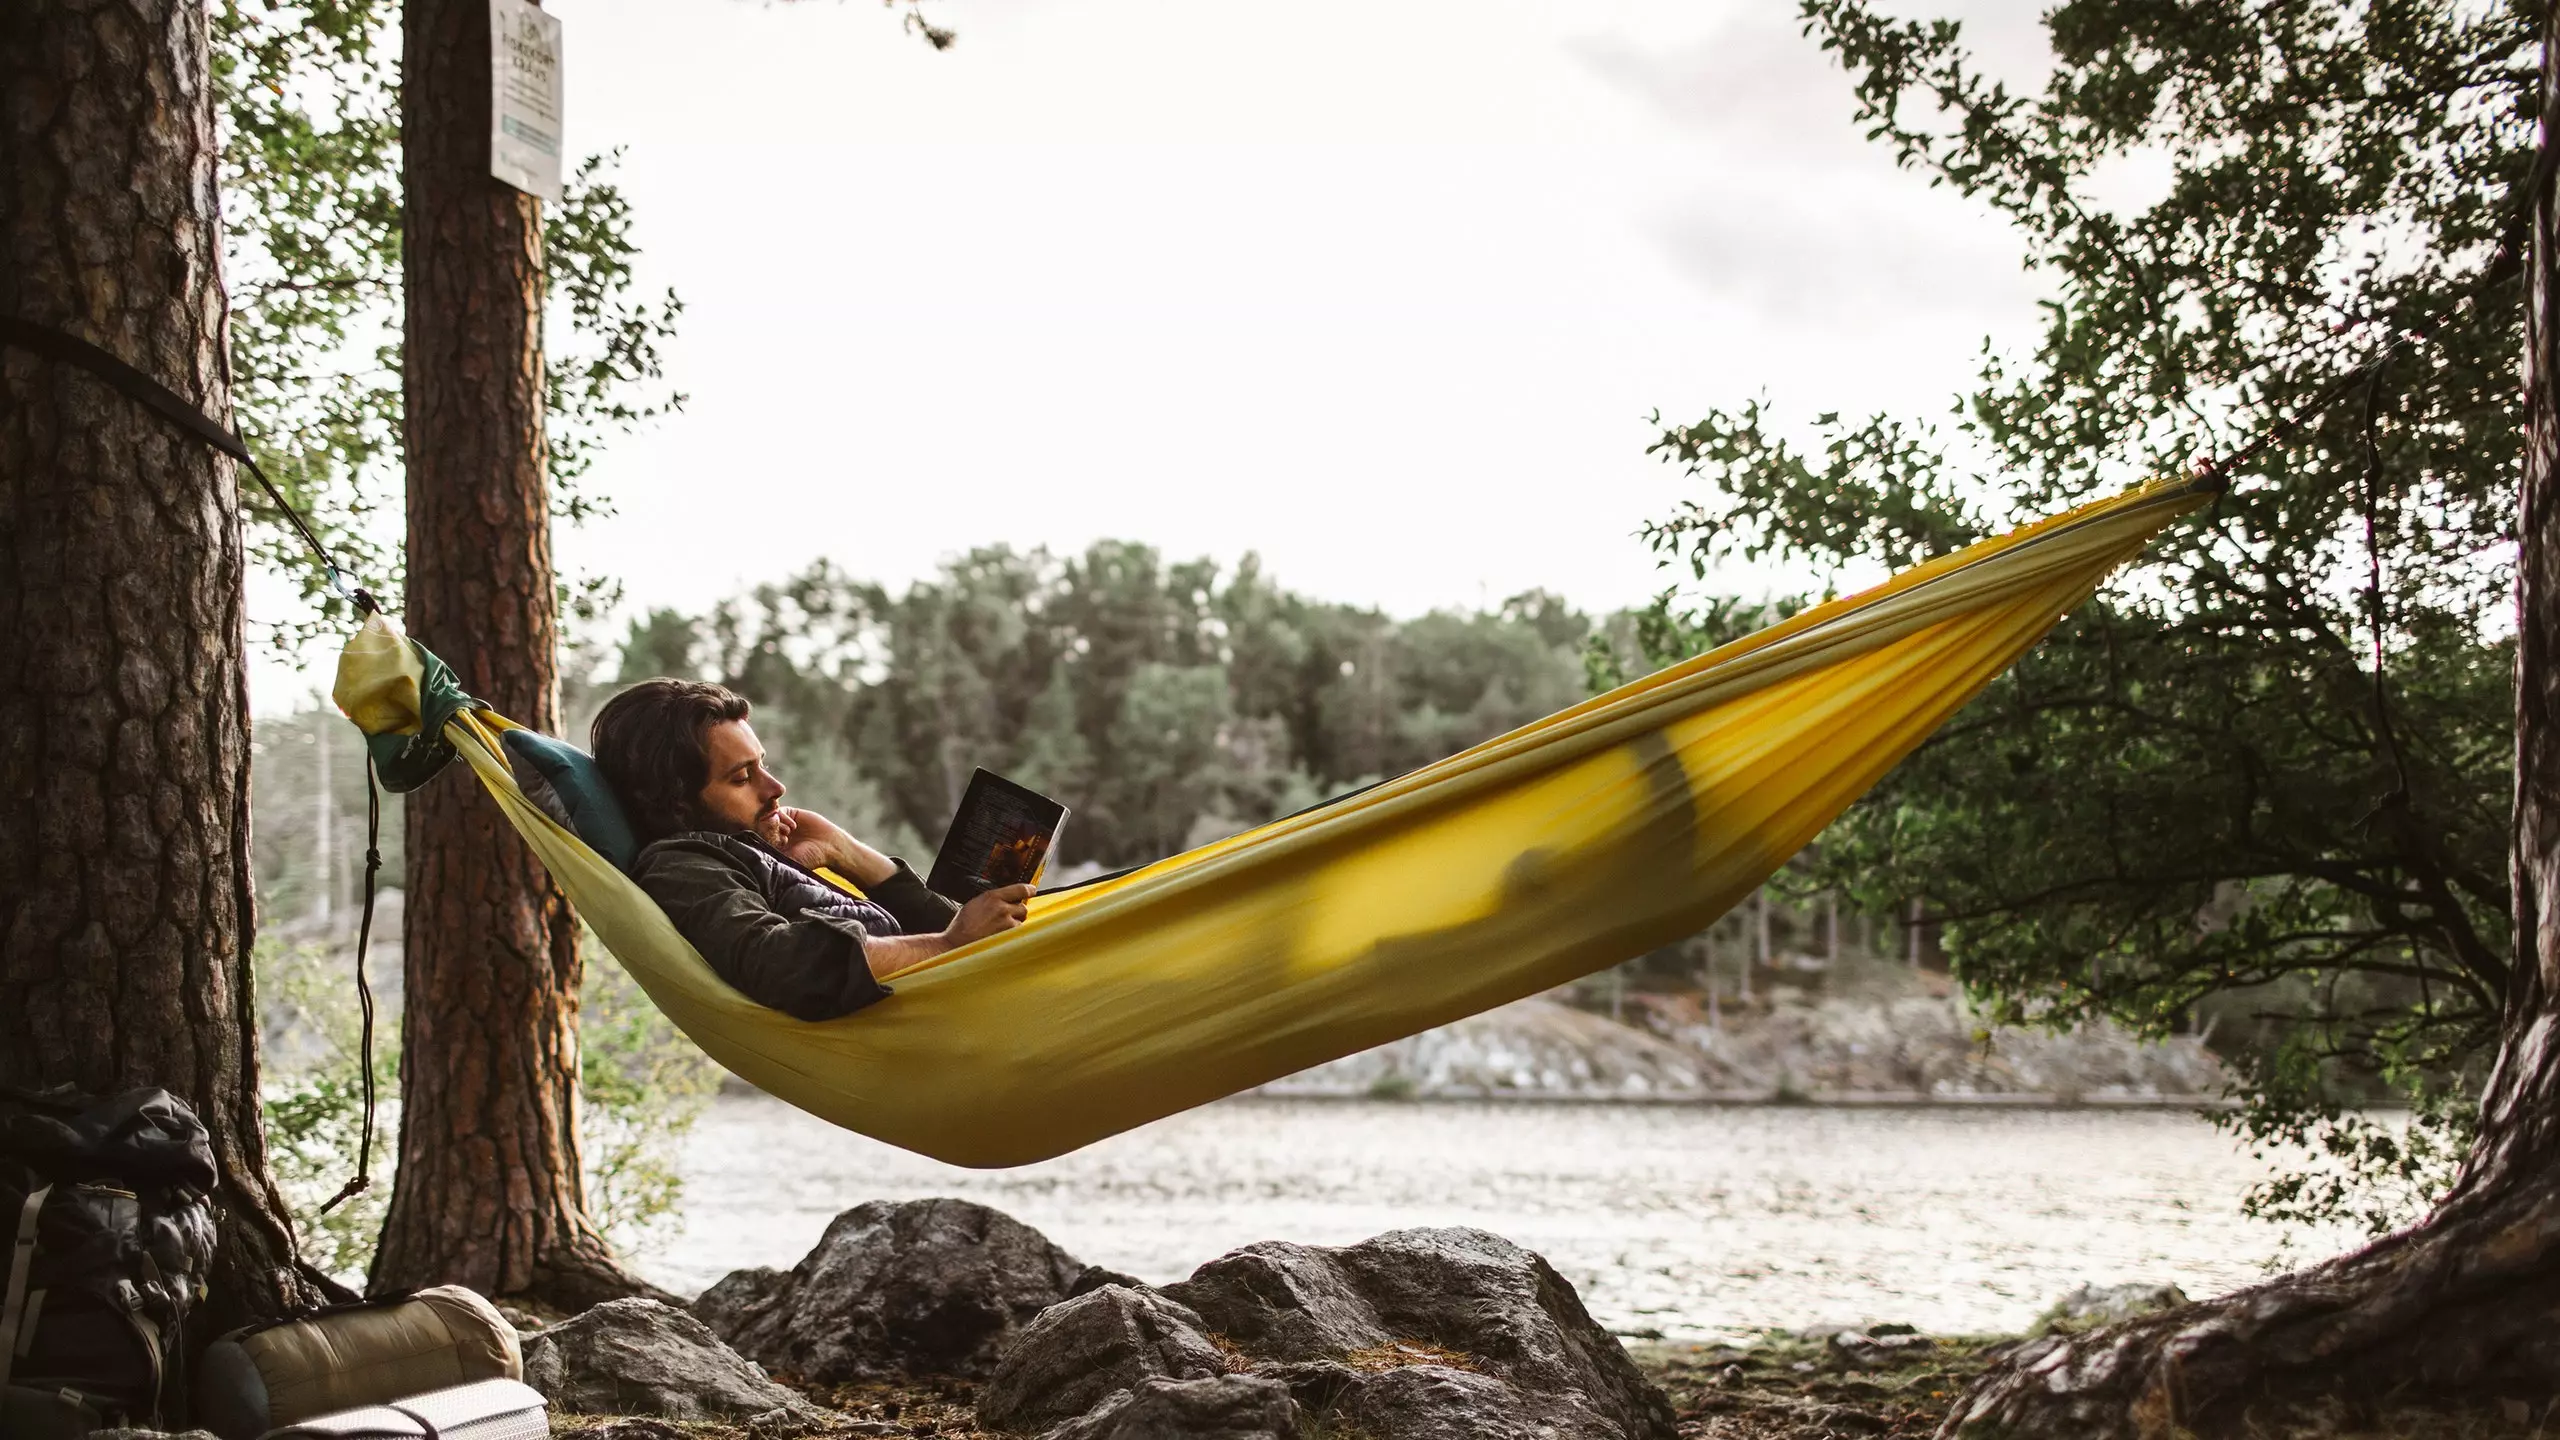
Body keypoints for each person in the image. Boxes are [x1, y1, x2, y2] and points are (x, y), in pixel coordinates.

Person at [589, 679, 1031, 1020]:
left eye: (763, 764)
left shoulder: (744, 854)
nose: (775, 787)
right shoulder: (681, 867)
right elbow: (778, 961)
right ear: (676, 800)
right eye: (742, 778)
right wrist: (944, 945)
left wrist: (845, 851)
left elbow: (954, 930)